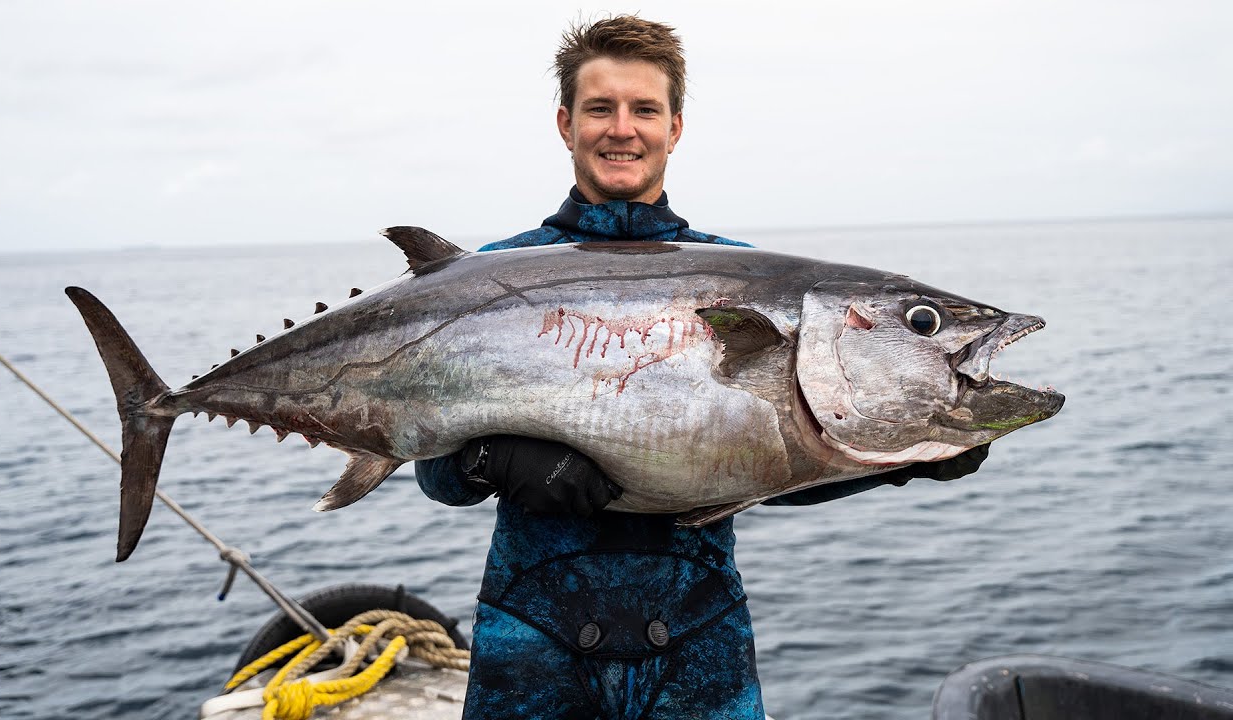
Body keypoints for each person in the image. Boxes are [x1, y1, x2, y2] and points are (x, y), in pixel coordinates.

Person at [415, 15, 988, 719]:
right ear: (566, 123)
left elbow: (774, 464)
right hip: (530, 633)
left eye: (644, 110)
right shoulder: (490, 275)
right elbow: (429, 466)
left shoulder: (745, 279)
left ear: (675, 128)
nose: (621, 129)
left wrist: (905, 456)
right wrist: (488, 462)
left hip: (698, 640)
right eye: (600, 108)